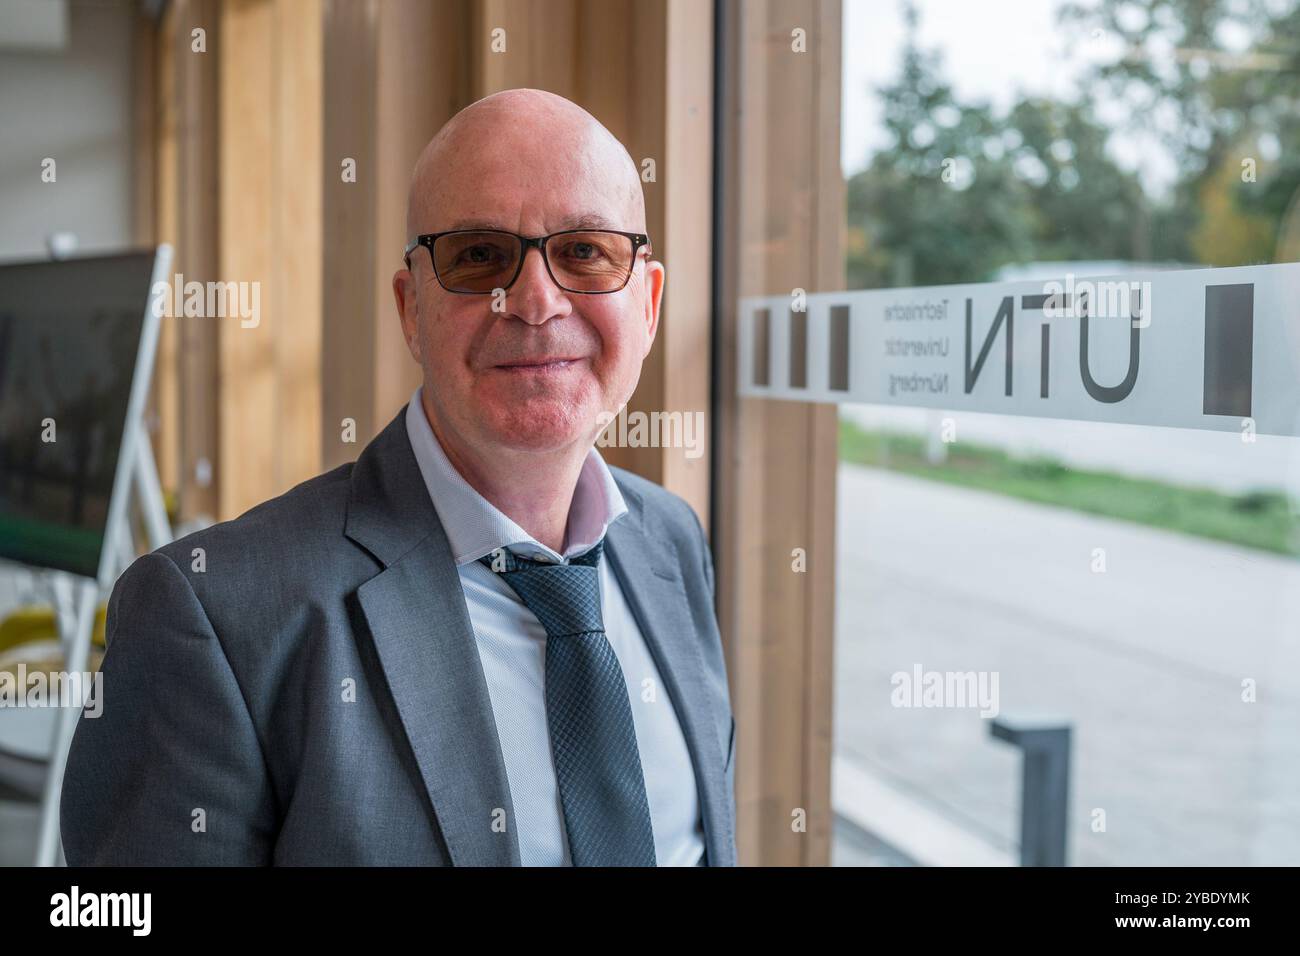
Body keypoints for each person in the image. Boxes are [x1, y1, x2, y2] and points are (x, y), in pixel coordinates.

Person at [60, 88, 736, 866]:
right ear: (411, 309)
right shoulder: (209, 617)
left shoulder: (673, 543)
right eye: (480, 255)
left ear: (647, 303)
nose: (536, 301)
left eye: (586, 251)